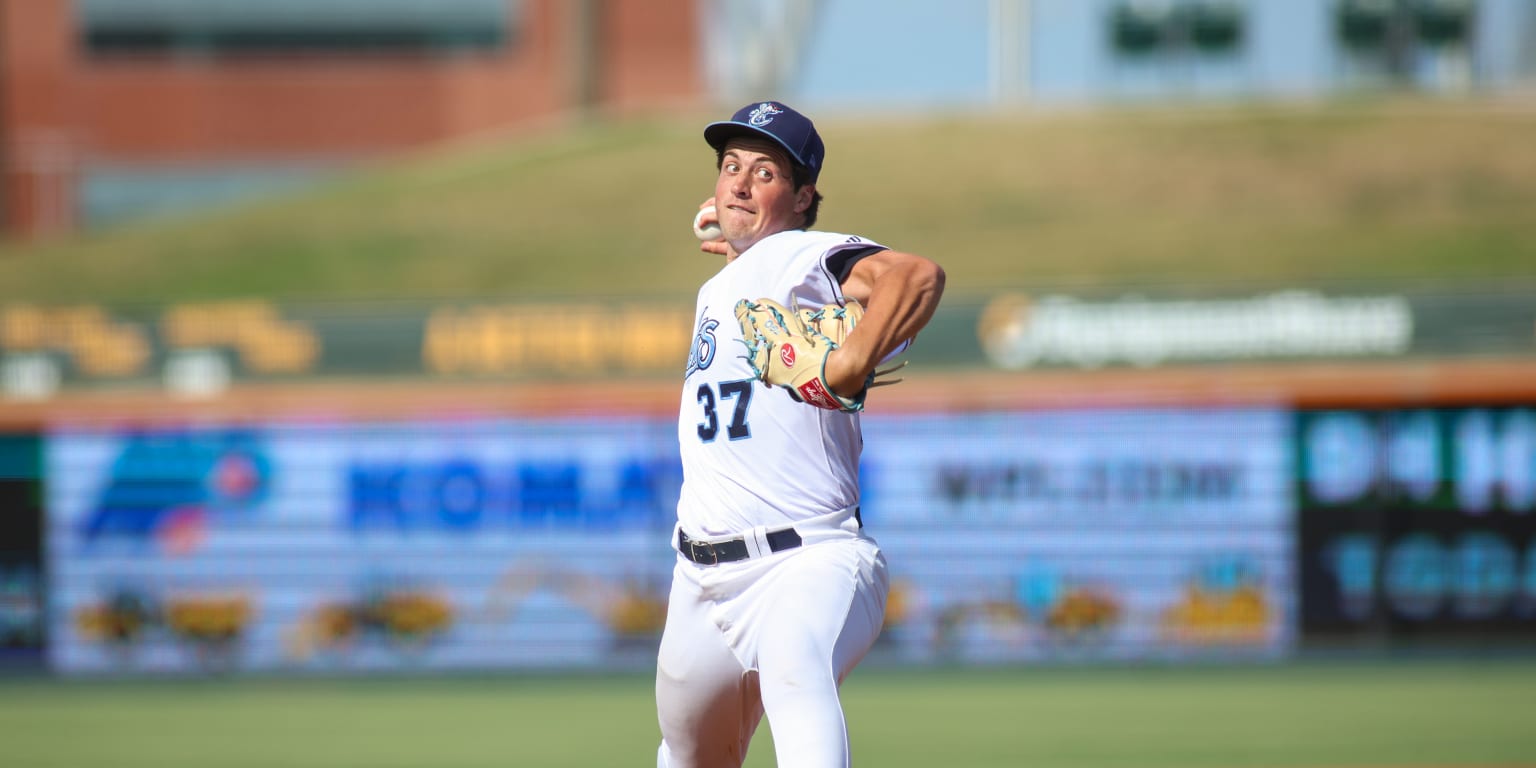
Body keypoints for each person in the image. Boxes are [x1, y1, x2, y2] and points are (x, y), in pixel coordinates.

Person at [655, 101, 945, 768]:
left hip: (807, 561)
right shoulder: (737, 278)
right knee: (685, 754)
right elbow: (750, 246)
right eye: (731, 168)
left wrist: (849, 359)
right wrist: (737, 240)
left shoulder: (800, 251)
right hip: (697, 580)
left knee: (794, 670)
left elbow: (915, 275)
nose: (739, 183)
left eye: (765, 173)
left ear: (804, 196)